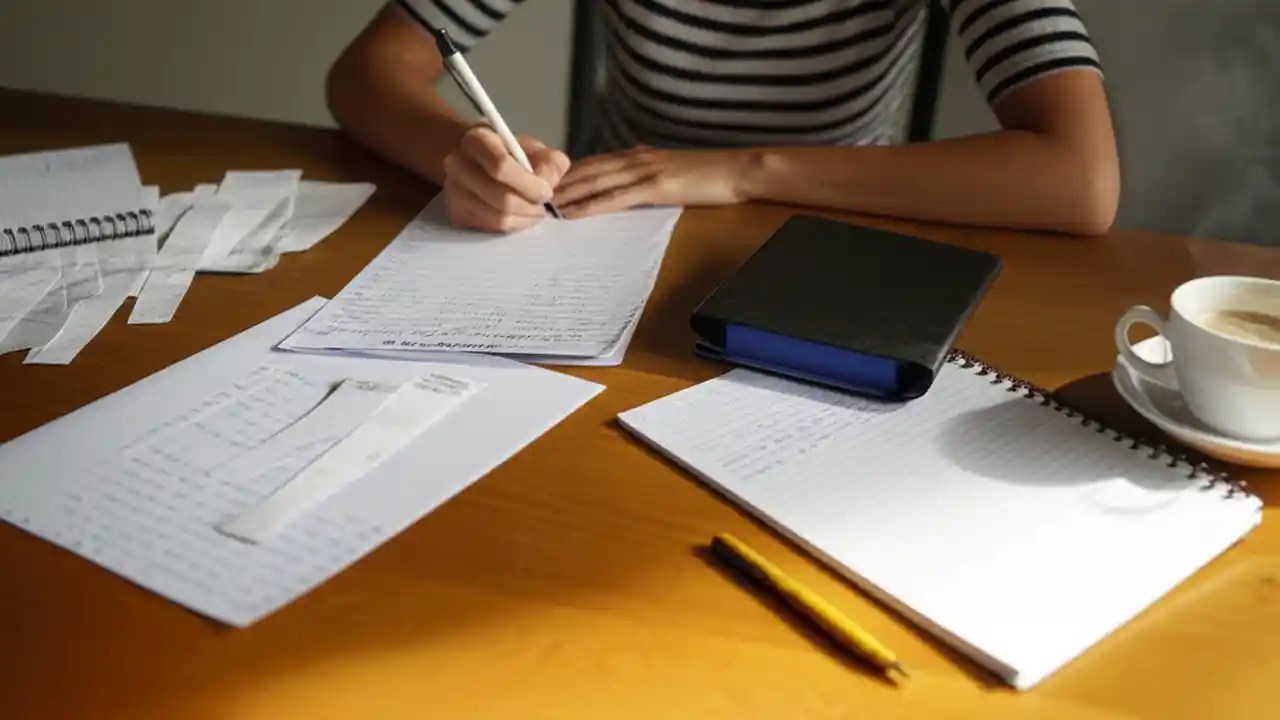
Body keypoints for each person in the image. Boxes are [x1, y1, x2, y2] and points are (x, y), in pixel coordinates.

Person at [328, 0, 1119, 235]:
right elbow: (368, 73)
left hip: (835, 226)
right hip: (603, 233)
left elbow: (1079, 180)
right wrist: (461, 156)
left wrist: (742, 171)